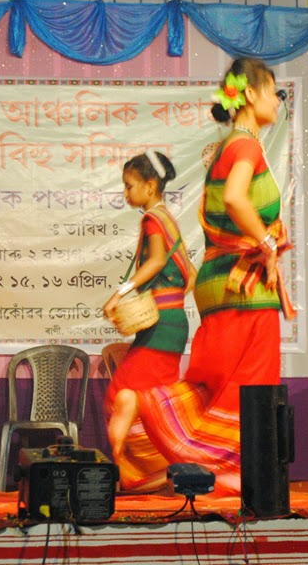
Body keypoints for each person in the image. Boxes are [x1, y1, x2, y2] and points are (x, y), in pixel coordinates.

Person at [122, 57, 294, 496]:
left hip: (219, 284)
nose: (278, 99)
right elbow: (236, 200)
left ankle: (164, 450)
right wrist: (269, 244)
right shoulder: (247, 146)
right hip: (246, 287)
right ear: (251, 94)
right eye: (273, 89)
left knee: (213, 383)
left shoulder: (226, 146)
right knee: (249, 388)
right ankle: (225, 472)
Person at [101, 151, 196, 491]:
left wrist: (119, 294)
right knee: (152, 399)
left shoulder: (152, 220)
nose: (125, 194)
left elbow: (155, 262)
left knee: (122, 395)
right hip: (170, 324)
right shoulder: (168, 218)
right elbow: (191, 275)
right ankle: (147, 472)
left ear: (150, 185)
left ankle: (132, 476)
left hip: (160, 327)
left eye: (129, 187)